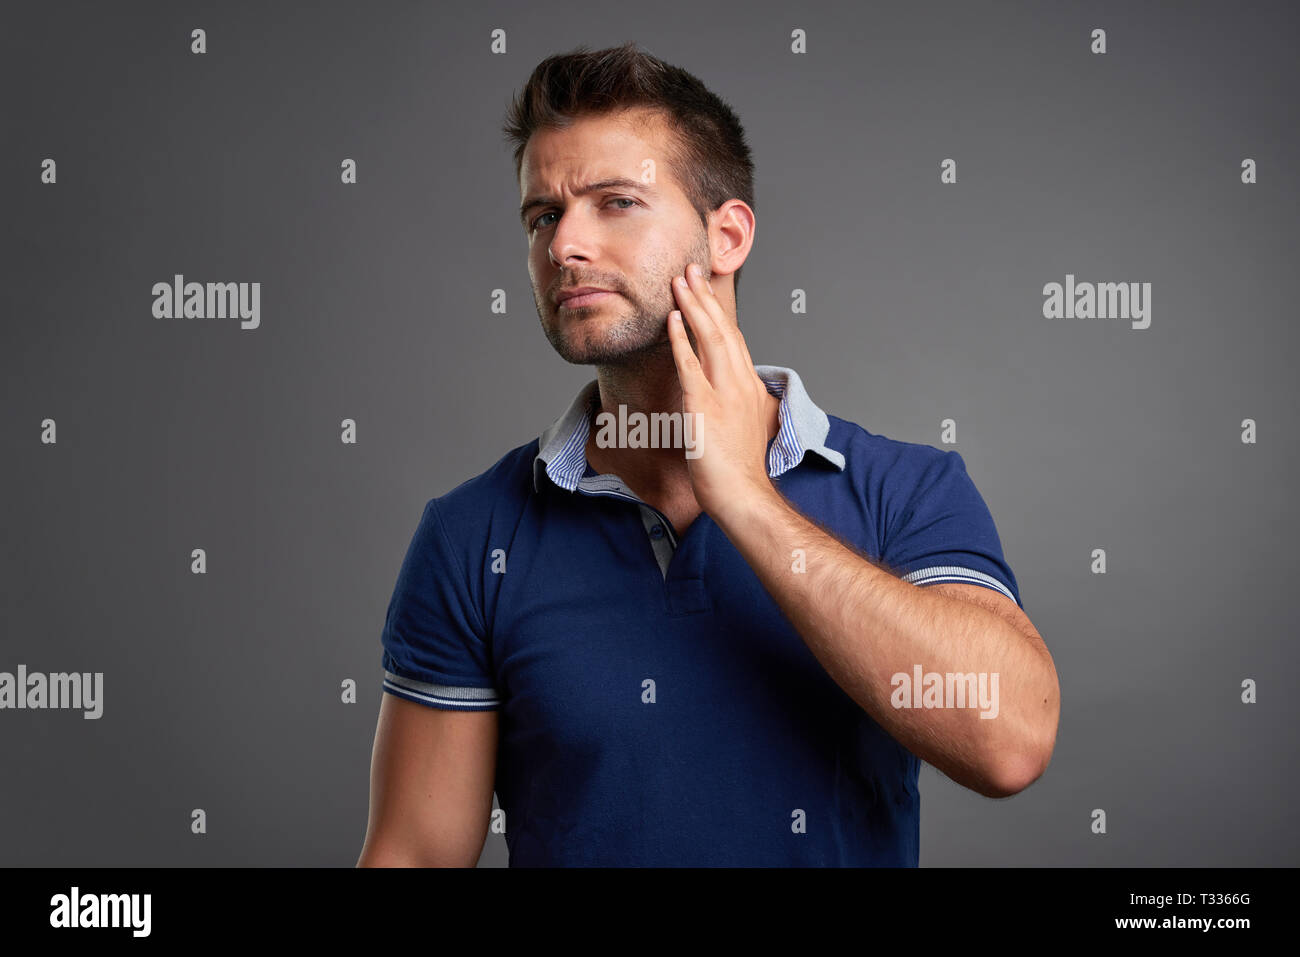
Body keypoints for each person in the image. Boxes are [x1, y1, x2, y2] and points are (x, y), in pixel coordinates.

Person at [357, 42, 1059, 867]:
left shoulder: (905, 491)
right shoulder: (472, 537)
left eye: (616, 202)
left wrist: (747, 499)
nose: (564, 246)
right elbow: (412, 853)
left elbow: (1010, 741)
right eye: (543, 215)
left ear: (726, 236)